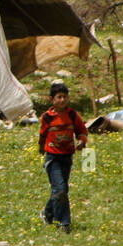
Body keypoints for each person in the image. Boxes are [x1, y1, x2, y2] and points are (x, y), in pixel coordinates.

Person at [38, 81, 87, 233]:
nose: (62, 100)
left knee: (61, 189)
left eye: (64, 97)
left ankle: (47, 213)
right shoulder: (47, 117)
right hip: (53, 158)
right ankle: (64, 223)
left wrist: (81, 142)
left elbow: (82, 132)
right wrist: (41, 149)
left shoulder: (73, 115)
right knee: (60, 189)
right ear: (52, 99)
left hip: (67, 157)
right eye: (59, 97)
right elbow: (42, 135)